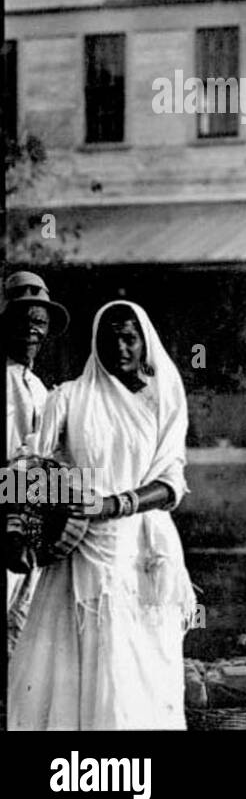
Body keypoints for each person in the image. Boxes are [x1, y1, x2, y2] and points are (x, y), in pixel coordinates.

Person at [8, 301, 197, 730]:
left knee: (147, 654)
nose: (120, 347)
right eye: (110, 337)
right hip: (83, 544)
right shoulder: (71, 396)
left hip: (144, 545)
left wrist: (113, 504)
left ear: (144, 341)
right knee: (91, 651)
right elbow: (27, 465)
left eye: (129, 337)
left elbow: (172, 483)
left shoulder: (164, 396)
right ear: (96, 343)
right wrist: (28, 523)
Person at [3, 272, 69, 650]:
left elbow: (42, 463)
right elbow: (14, 464)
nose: (33, 331)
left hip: (28, 519)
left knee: (22, 626)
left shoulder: (39, 387)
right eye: (23, 320)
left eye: (40, 323)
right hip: (9, 515)